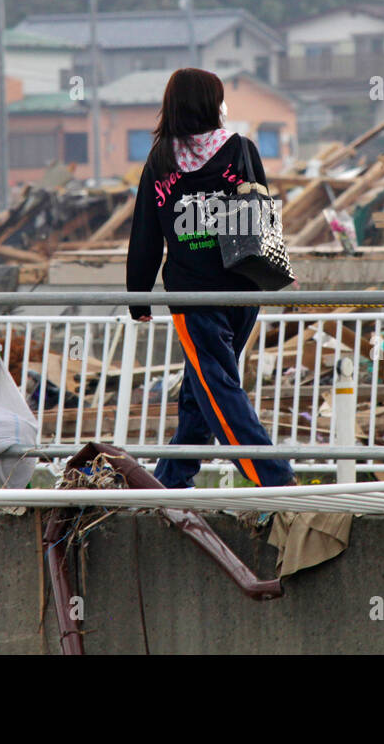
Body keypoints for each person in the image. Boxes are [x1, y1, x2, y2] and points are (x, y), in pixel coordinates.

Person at [126, 67, 295, 489]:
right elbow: (263, 214)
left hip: (192, 297)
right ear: (212, 104)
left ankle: (275, 481)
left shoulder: (161, 160)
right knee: (204, 385)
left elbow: (146, 233)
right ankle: (173, 478)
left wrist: (139, 296)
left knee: (215, 388)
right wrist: (273, 275)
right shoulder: (241, 148)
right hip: (243, 288)